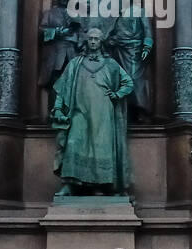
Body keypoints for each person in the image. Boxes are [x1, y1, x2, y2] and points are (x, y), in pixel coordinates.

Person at [51, 27, 133, 195]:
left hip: (103, 114)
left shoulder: (111, 64)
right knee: (73, 143)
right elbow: (62, 89)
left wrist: (117, 94)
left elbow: (128, 83)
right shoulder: (75, 63)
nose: (93, 42)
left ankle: (99, 185)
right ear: (86, 41)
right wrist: (58, 108)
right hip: (79, 112)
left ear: (101, 42)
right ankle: (69, 184)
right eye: (90, 39)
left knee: (100, 147)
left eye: (96, 39)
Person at [104, 0, 153, 121]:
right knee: (120, 80)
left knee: (134, 79)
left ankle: (140, 109)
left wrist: (147, 46)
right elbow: (111, 32)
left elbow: (147, 30)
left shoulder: (140, 12)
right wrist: (110, 41)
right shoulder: (121, 13)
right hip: (119, 51)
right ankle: (125, 111)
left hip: (134, 51)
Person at [39, 0, 81, 111]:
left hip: (72, 51)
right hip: (57, 51)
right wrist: (57, 32)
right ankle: (56, 111)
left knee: (74, 81)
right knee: (56, 81)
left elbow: (81, 32)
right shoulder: (50, 13)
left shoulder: (74, 14)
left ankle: (71, 111)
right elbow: (42, 30)